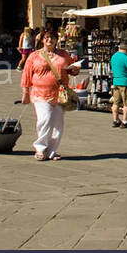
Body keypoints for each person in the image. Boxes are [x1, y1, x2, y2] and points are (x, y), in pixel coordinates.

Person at [19, 29, 78, 161]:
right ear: (42, 40)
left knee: (57, 124)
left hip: (60, 94)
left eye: (52, 38)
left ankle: (51, 151)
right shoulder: (34, 56)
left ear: (56, 40)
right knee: (45, 119)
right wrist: (25, 92)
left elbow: (71, 70)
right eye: (47, 38)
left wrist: (75, 70)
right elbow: (26, 74)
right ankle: (40, 148)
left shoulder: (64, 54)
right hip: (40, 93)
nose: (49, 40)